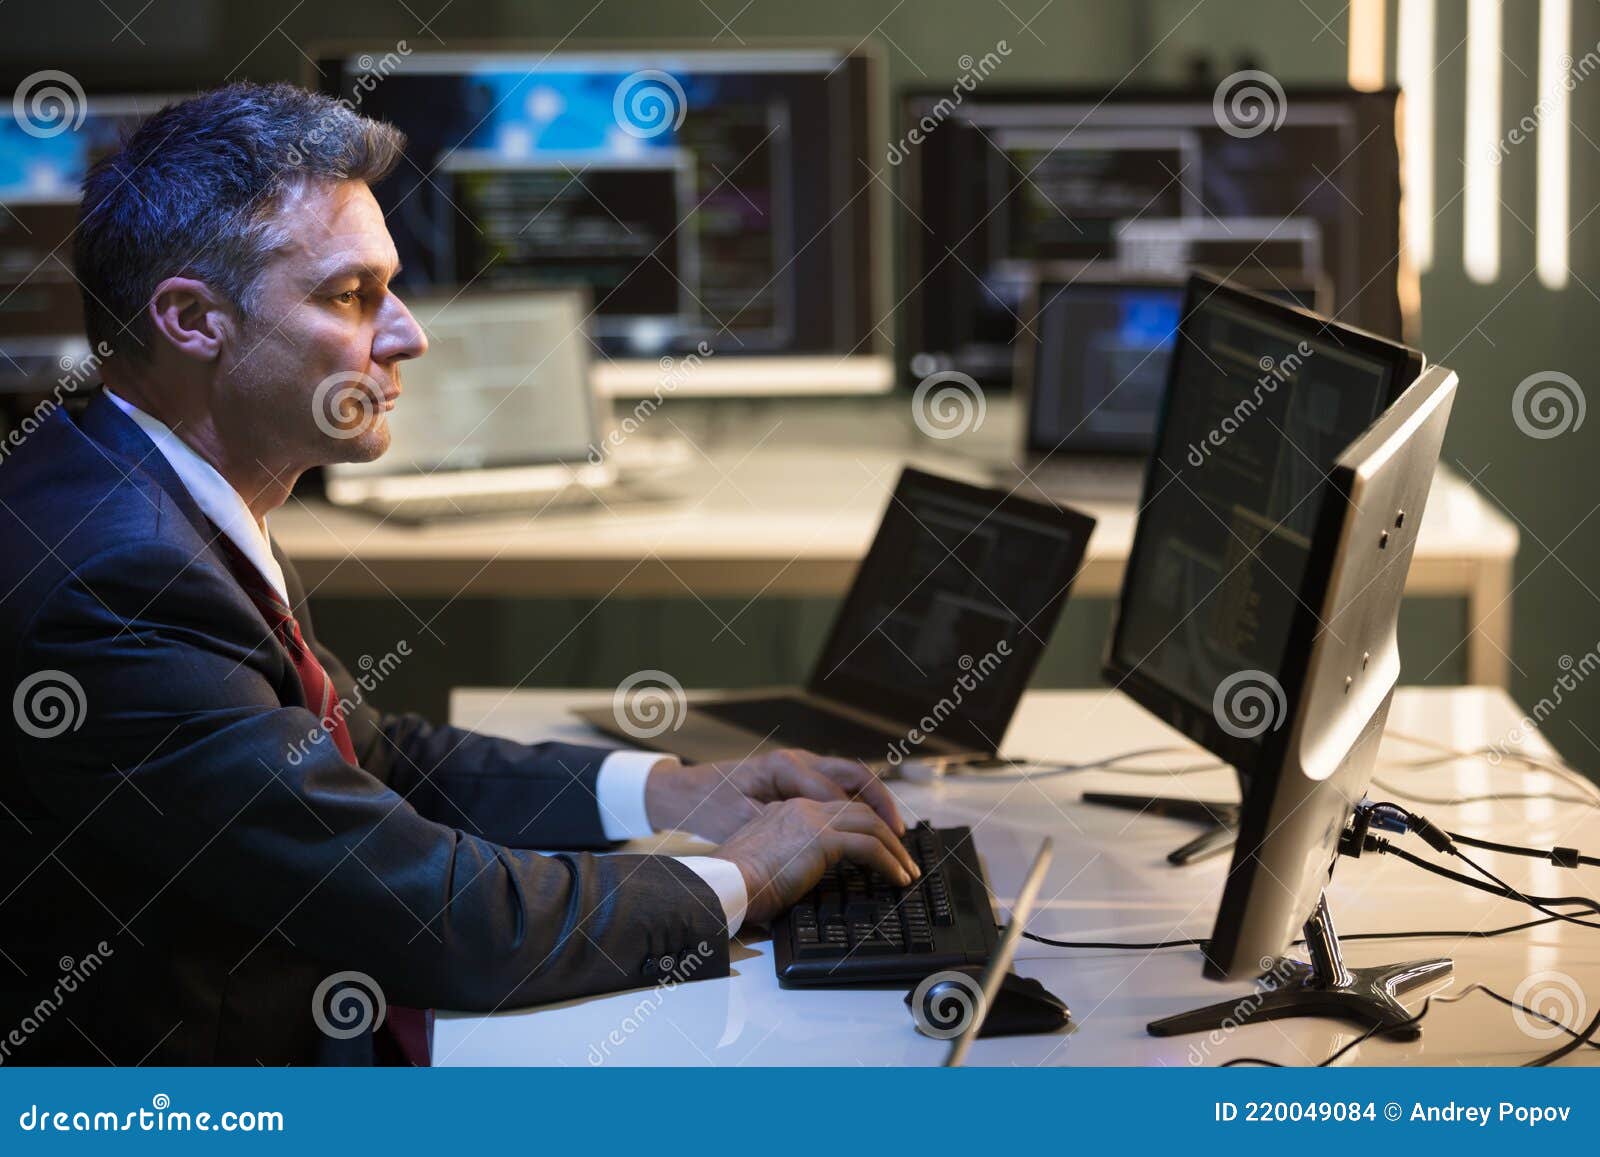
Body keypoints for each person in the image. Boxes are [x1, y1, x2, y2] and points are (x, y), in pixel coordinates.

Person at [0, 82, 917, 1066]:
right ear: (190, 320)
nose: (409, 334)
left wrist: (672, 793)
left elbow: (371, 757)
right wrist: (743, 875)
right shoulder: (118, 575)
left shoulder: (136, 479)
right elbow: (442, 921)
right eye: (350, 295)